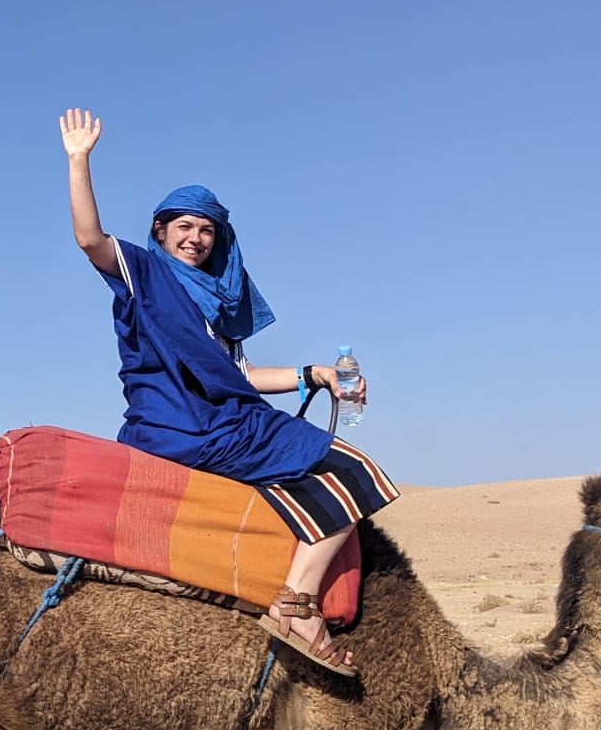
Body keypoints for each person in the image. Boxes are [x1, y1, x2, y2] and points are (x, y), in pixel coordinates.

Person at [58, 107, 398, 676]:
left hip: (220, 423)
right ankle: (297, 604)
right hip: (197, 430)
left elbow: (240, 375)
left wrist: (314, 374)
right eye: (184, 227)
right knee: (359, 473)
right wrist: (78, 161)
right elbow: (90, 239)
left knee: (322, 475)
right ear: (160, 232)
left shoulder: (213, 306)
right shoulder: (145, 275)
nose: (195, 238)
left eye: (206, 229)